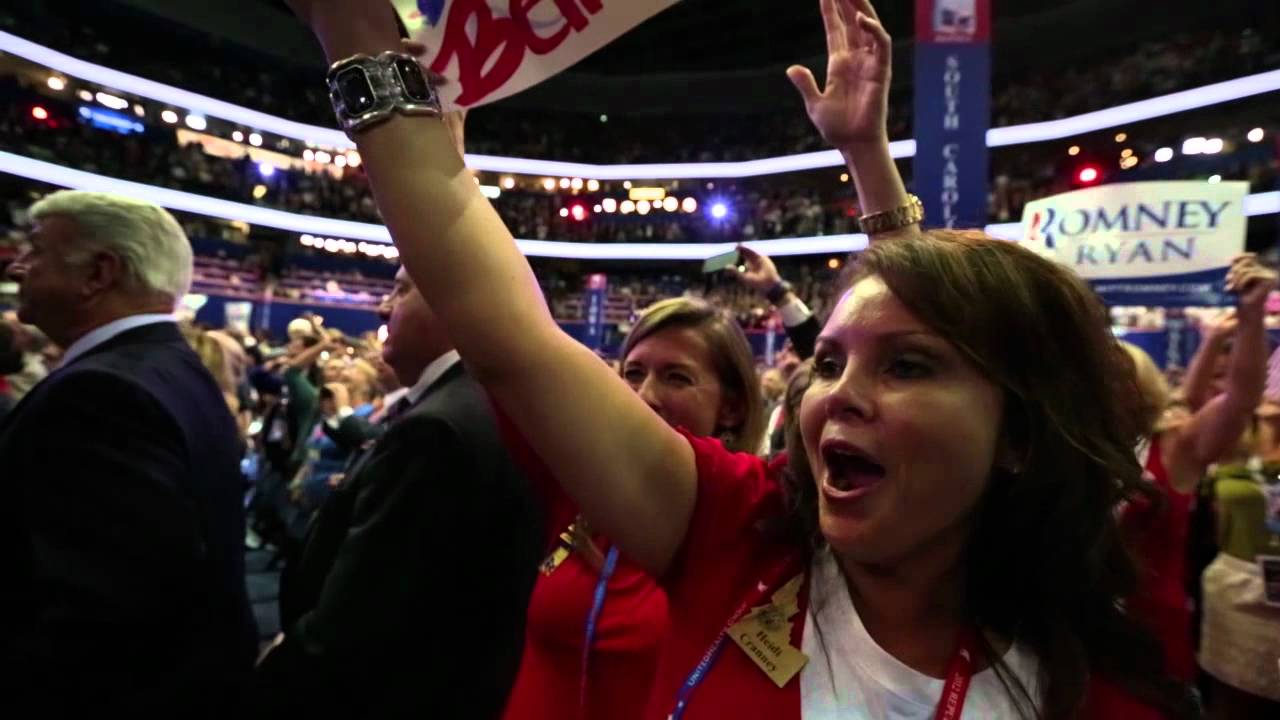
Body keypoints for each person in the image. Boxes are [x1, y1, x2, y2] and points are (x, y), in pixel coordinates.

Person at [286, 0, 1194, 717]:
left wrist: (870, 163)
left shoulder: (1104, 669)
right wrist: (355, 36)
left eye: (907, 368)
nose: (839, 396)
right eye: (827, 363)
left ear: (1022, 433)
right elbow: (509, 335)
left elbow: (962, 319)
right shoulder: (743, 536)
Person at [0, 190, 256, 715]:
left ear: (99, 273)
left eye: (35, 250)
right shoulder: (174, 366)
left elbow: (97, 617)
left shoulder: (100, 393)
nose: (17, 266)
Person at [251, 265, 544, 718]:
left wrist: (275, 677)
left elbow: (365, 613)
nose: (383, 307)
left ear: (450, 304)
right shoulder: (469, 402)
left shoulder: (437, 427)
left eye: (401, 290)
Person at [503, 296, 765, 720]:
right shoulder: (577, 490)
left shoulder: (747, 530)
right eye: (633, 373)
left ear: (731, 408)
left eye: (677, 378)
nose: (645, 396)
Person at [1117, 253, 1274, 685]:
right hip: (1075, 625)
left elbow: (1240, 400)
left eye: (1119, 375)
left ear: (1142, 386)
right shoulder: (1076, 446)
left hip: (1150, 628)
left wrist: (1251, 317)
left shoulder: (1173, 446)